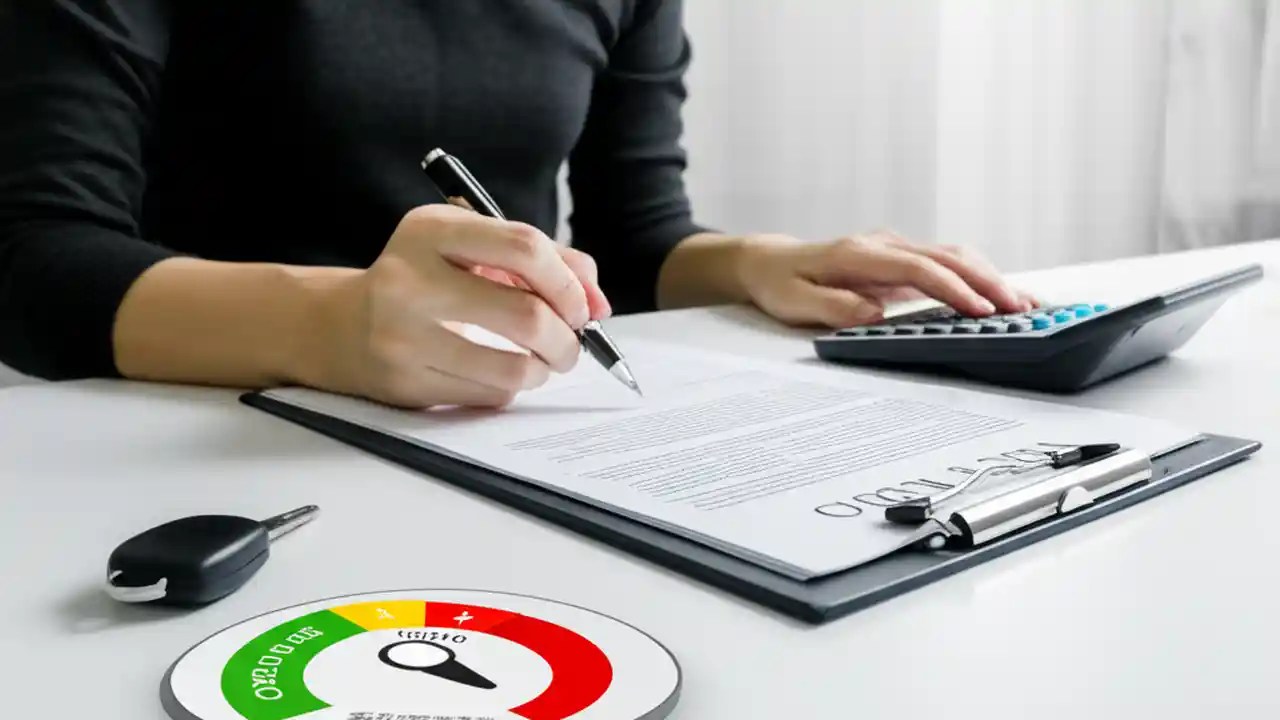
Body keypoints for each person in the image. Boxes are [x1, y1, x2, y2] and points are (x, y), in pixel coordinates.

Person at [0, 0, 1036, 408]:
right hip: (191, 441)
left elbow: (633, 243)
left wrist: (759, 261)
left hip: (498, 432)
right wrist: (325, 324)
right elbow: (35, 262)